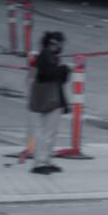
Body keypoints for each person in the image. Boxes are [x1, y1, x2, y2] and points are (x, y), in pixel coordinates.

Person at [27, 31, 69, 175]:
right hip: (46, 100)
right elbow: (50, 74)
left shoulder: (49, 57)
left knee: (48, 132)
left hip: (47, 100)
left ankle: (46, 160)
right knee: (44, 133)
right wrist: (65, 69)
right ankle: (40, 162)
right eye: (60, 43)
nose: (62, 46)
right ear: (53, 43)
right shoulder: (45, 56)